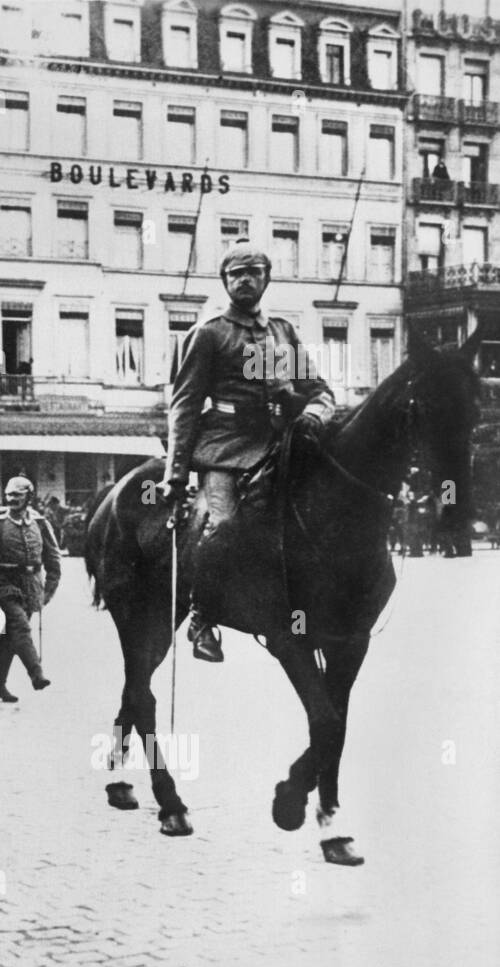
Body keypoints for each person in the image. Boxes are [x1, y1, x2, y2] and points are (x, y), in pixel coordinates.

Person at [161, 239, 335, 662]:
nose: (244, 280)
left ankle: (308, 610)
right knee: (221, 526)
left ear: (266, 278)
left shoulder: (282, 332)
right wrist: (176, 472)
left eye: (252, 272)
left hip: (280, 444)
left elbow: (320, 390)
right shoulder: (209, 334)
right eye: (235, 274)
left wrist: (314, 414)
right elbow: (183, 405)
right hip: (224, 446)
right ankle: (203, 616)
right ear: (224, 282)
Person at [0, 477, 61, 702]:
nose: (11, 499)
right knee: (20, 627)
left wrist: (47, 591)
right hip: (5, 584)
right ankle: (36, 673)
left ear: (28, 497)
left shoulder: (40, 524)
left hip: (31, 585)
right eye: (9, 495)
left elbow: (53, 560)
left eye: (17, 495)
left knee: (10, 636)